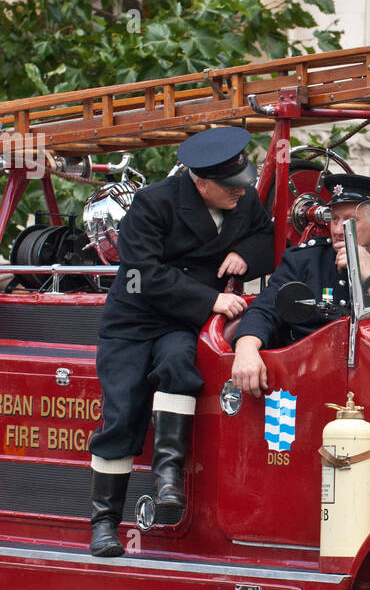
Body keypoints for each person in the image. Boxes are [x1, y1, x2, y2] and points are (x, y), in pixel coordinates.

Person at [86, 128, 274, 555]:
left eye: (243, 184)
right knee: (122, 411)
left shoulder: (243, 199)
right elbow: (143, 276)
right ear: (200, 183)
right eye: (230, 188)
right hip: (133, 321)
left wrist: (247, 254)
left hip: (181, 322)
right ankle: (104, 522)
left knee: (178, 368)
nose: (241, 194)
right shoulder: (153, 204)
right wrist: (212, 298)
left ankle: (168, 478)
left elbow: (267, 235)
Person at [231, 173, 370, 397]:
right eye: (334, 218)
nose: (338, 230)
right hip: (306, 383)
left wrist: (368, 272)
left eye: (350, 221)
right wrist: (246, 349)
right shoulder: (305, 260)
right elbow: (264, 309)